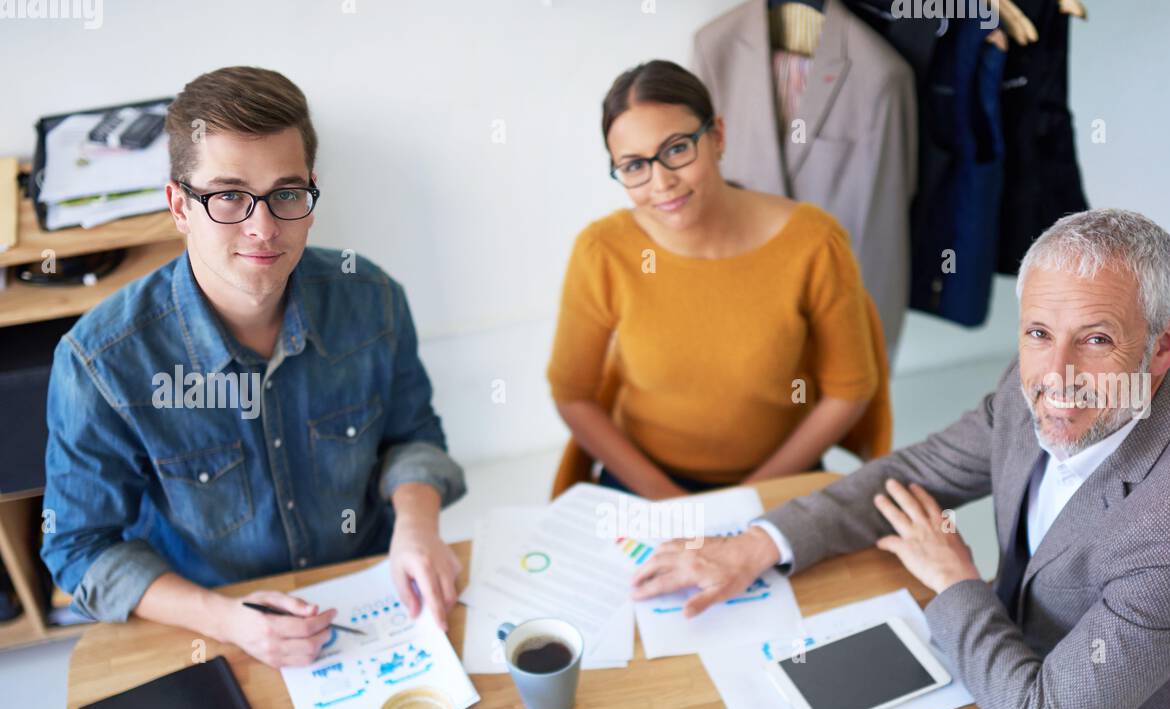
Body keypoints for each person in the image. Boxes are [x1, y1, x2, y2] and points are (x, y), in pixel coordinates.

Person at [631, 207, 1170, 709]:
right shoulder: (1037, 379)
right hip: (1033, 675)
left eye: (1096, 340)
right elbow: (912, 474)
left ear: (1163, 345)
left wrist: (955, 583)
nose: (1055, 374)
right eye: (1039, 332)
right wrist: (757, 544)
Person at [42, 67, 466, 668]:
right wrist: (227, 621)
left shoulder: (373, 298)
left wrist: (417, 526)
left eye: (286, 193)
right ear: (179, 206)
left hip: (372, 595)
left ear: (310, 196)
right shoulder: (98, 361)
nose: (263, 228)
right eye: (229, 196)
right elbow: (79, 546)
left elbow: (414, 435)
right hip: (210, 620)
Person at [547, 59, 890, 501]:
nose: (662, 182)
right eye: (634, 166)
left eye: (676, 149)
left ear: (717, 137)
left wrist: (745, 500)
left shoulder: (813, 243)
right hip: (645, 483)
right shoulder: (602, 251)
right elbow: (572, 394)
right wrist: (670, 501)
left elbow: (850, 391)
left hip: (779, 477)